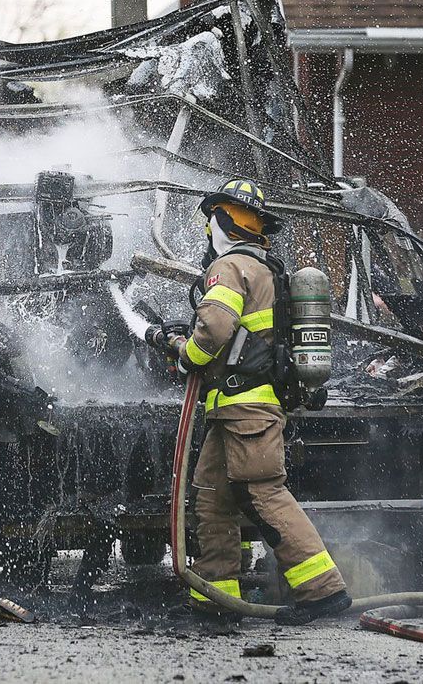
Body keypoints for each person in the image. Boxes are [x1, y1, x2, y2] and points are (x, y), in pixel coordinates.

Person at [147, 178, 350, 626]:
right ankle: (217, 600)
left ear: (221, 222)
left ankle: (323, 592)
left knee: (264, 493)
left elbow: (215, 329)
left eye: (210, 221)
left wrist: (184, 355)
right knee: (212, 501)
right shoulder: (265, 267)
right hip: (232, 410)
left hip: (246, 409)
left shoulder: (231, 267)